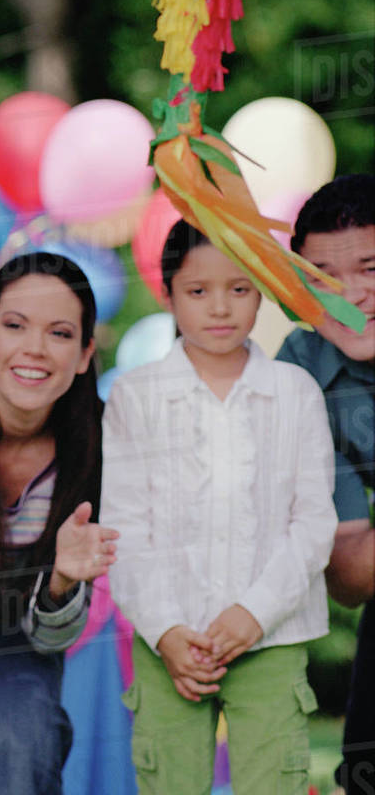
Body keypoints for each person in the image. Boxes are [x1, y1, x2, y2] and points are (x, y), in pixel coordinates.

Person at [101, 219, 337, 795]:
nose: (220, 308)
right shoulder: (136, 396)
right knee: (169, 782)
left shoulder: (295, 391)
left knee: (274, 782)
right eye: (198, 291)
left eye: (239, 289)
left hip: (273, 638)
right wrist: (167, 631)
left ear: (259, 290)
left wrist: (253, 613)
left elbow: (312, 523)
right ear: (169, 293)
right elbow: (126, 530)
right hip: (169, 647)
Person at [0, 250, 119, 795]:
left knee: (24, 736)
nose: (34, 349)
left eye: (60, 333)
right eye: (15, 325)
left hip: (13, 641)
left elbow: (51, 639)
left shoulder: (96, 448)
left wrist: (64, 583)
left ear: (84, 353)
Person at [276, 174, 375, 795]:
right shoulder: (302, 372)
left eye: (371, 267)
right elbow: (351, 577)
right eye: (323, 278)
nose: (352, 294)